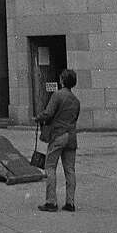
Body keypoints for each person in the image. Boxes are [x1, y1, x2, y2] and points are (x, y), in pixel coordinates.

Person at [34, 68, 80, 212]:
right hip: (71, 137)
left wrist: (38, 117)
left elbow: (48, 113)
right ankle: (70, 203)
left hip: (58, 135)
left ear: (62, 80)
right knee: (70, 170)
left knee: (50, 167)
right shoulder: (76, 101)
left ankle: (51, 202)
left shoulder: (57, 95)